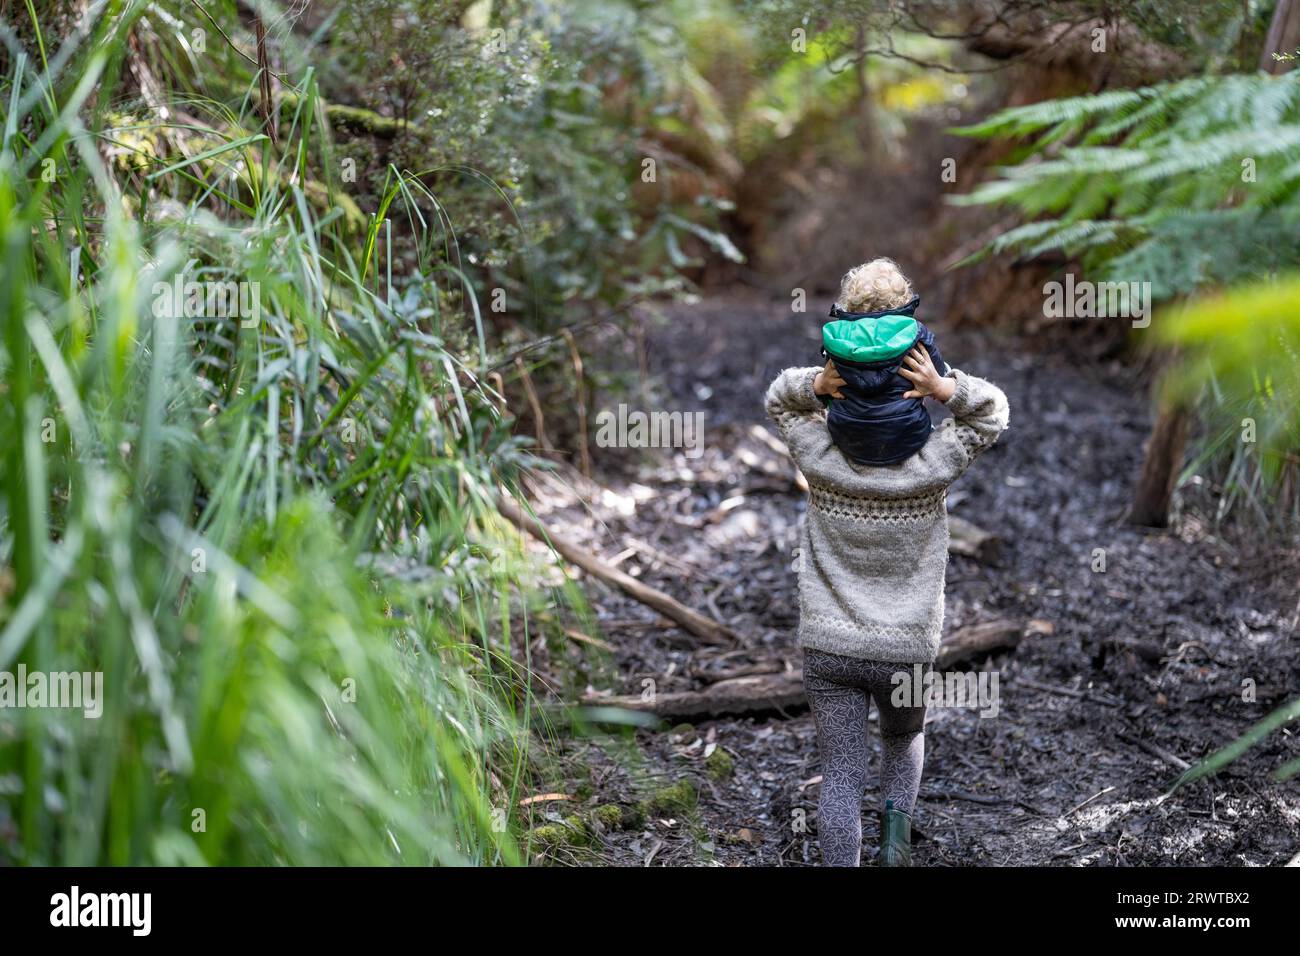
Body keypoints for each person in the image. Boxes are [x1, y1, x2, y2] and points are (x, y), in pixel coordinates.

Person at [764, 336, 1009, 866]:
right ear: (909, 395)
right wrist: (946, 389)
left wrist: (816, 384)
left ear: (842, 396)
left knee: (842, 777)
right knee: (904, 740)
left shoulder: (819, 457)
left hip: (831, 648)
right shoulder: (934, 463)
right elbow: (992, 413)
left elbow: (780, 399)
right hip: (907, 647)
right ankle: (894, 856)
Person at [819, 258, 950, 466]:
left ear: (851, 301)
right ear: (902, 300)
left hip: (846, 438)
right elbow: (939, 374)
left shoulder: (838, 337)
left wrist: (819, 386)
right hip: (908, 436)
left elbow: (828, 383)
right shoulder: (915, 333)